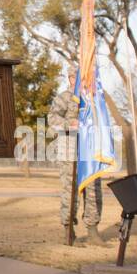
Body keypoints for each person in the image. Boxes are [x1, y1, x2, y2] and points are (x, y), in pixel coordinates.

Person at [49, 67, 103, 243]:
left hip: (89, 148)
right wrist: (68, 123)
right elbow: (52, 119)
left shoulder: (92, 99)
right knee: (69, 188)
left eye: (84, 78)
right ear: (71, 78)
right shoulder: (63, 97)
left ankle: (93, 229)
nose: (79, 81)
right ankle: (68, 229)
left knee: (93, 187)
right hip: (69, 147)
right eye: (76, 77)